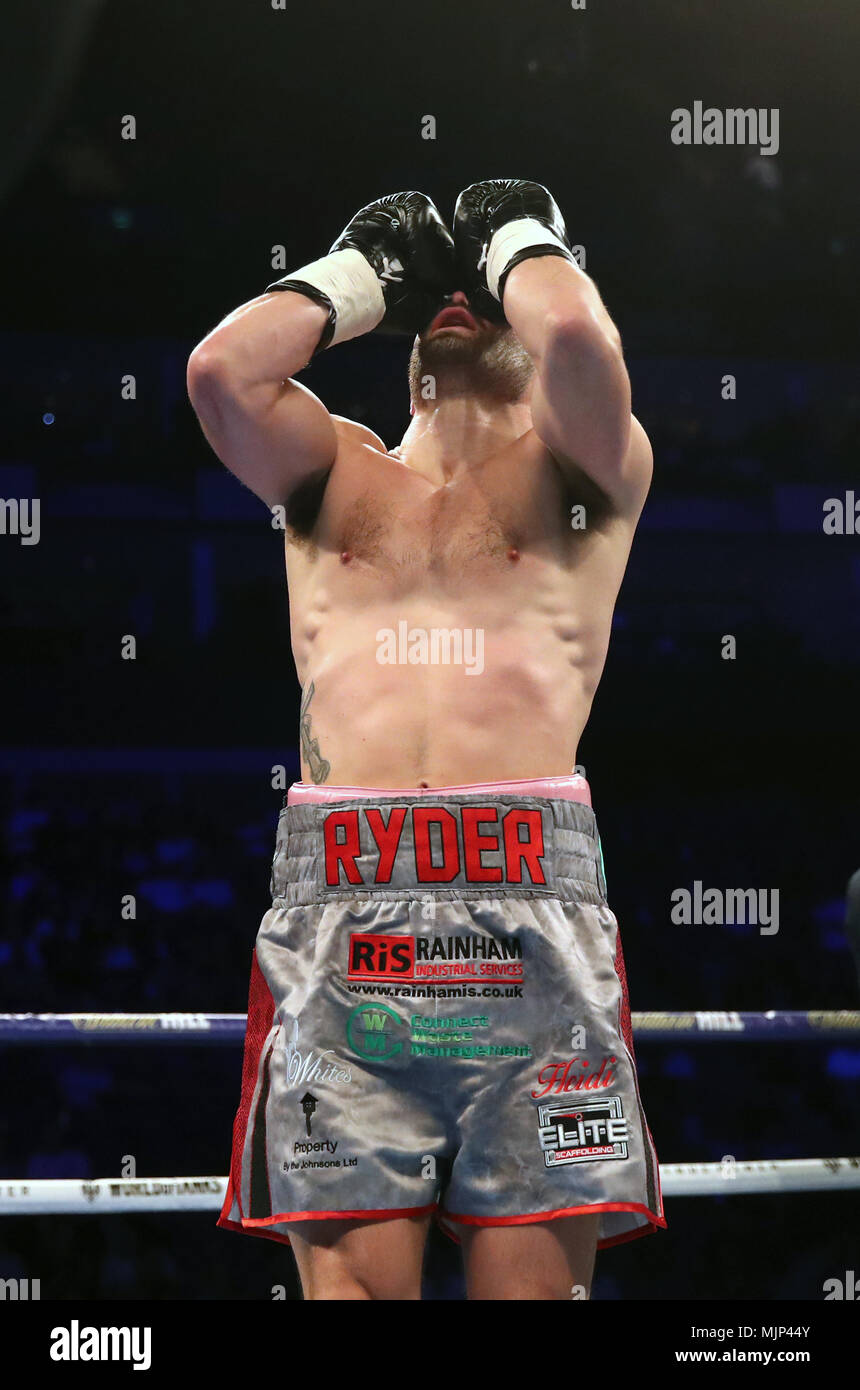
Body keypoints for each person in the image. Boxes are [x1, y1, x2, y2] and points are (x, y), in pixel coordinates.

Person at [187, 180, 664, 1300]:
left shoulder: (582, 471)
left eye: (484, 296)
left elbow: (581, 336)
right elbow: (221, 373)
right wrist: (355, 273)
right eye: (435, 299)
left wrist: (515, 243)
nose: (458, 305)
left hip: (531, 918)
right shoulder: (331, 471)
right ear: (400, 342)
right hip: (340, 920)